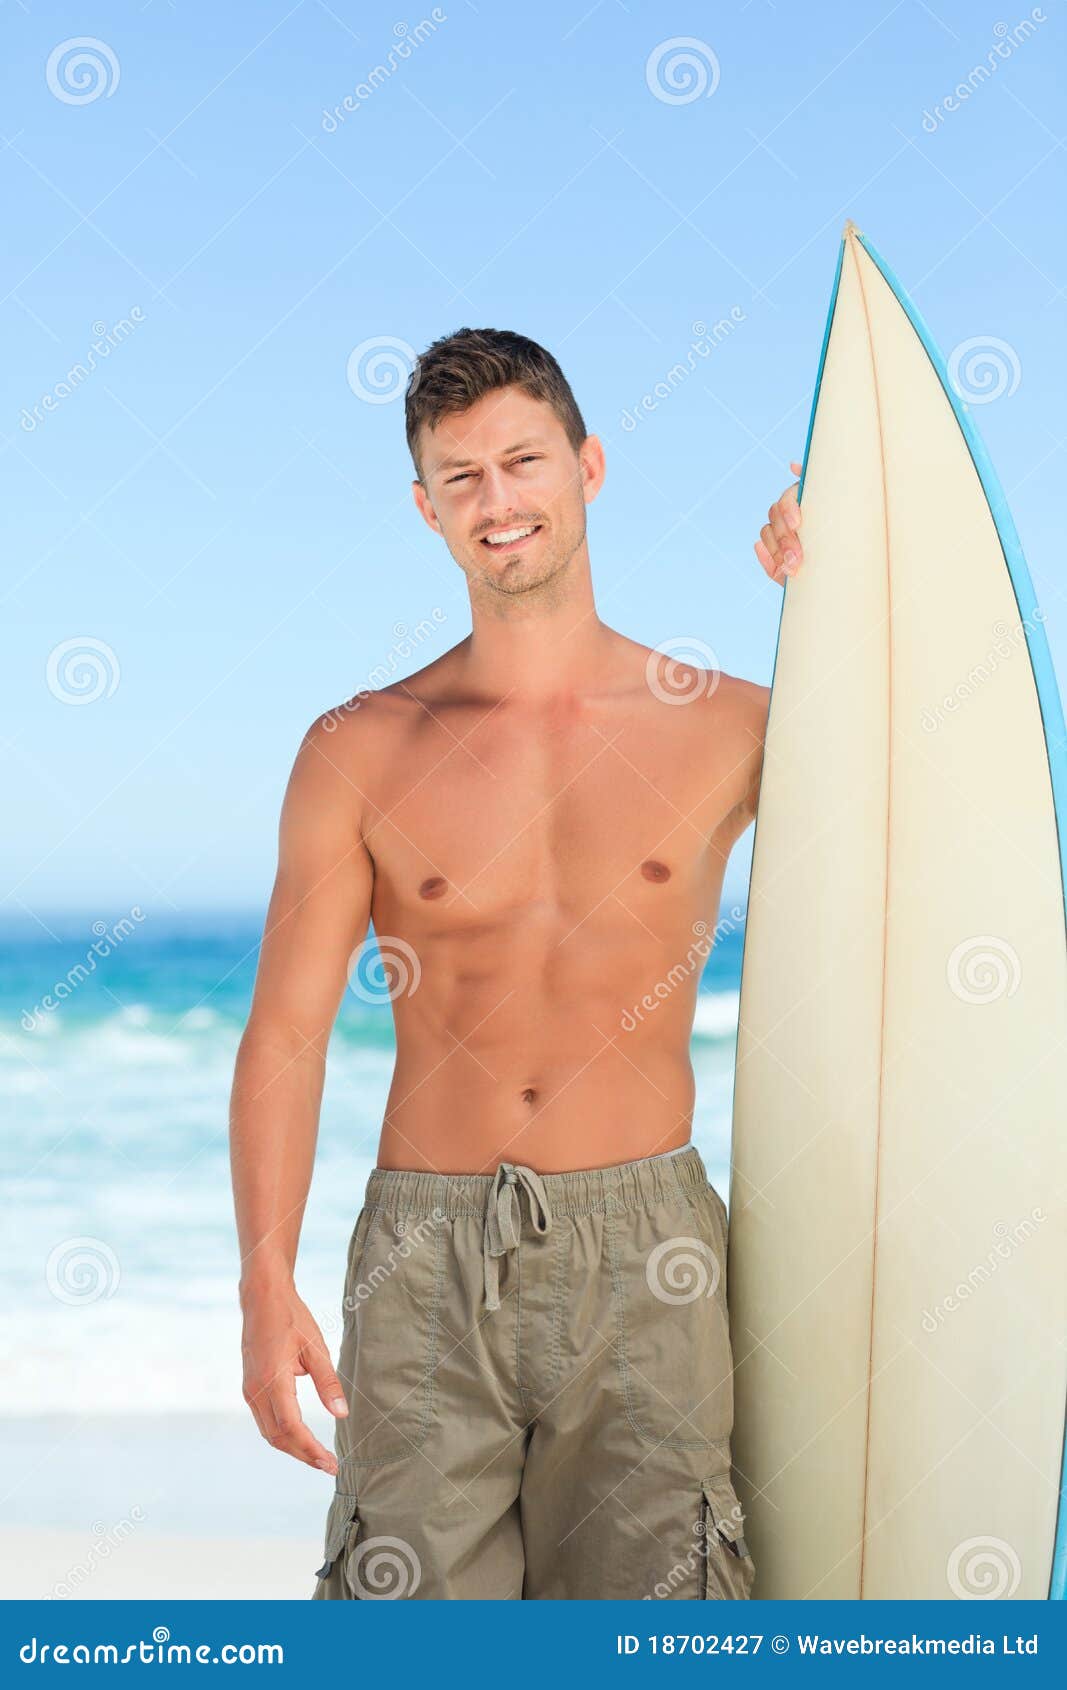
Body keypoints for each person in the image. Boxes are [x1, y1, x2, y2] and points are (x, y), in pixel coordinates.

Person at [228, 328, 804, 1600]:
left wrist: (846, 580)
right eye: (461, 475)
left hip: (649, 1253)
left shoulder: (732, 724)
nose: (499, 501)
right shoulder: (359, 748)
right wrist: (263, 1281)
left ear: (588, 466)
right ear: (425, 507)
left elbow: (922, 793)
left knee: (666, 1635)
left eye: (523, 460)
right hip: (423, 1258)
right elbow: (284, 1035)